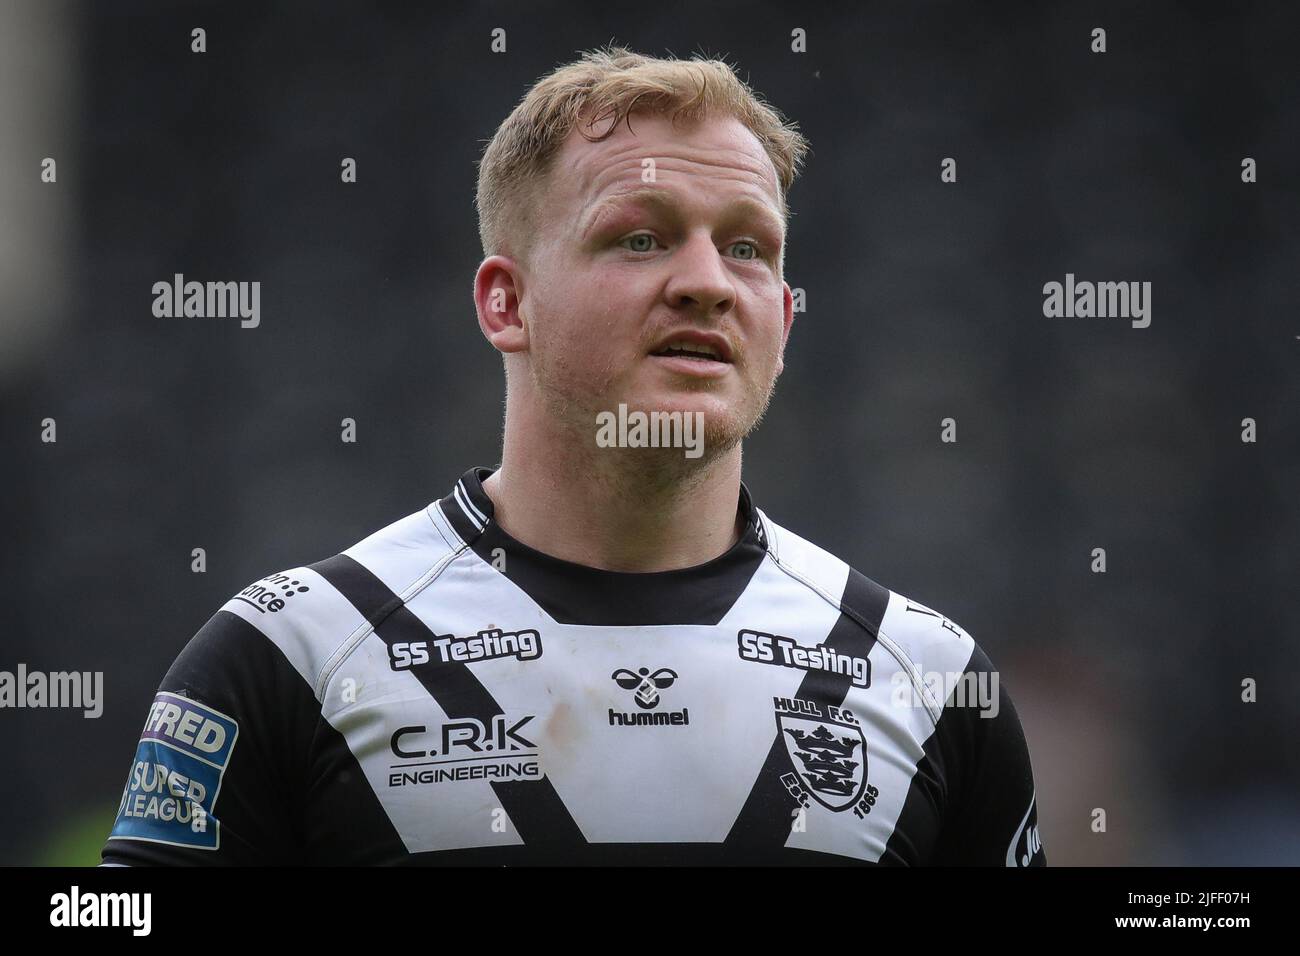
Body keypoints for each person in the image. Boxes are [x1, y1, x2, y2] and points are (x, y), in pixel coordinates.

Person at [101, 45, 1045, 865]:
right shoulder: (290, 656)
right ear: (506, 303)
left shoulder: (929, 678)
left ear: (786, 320)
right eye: (641, 238)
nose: (709, 284)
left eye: (750, 249)